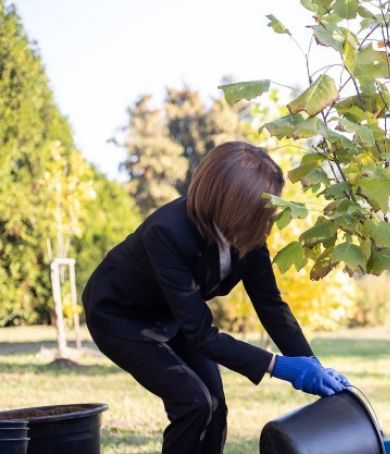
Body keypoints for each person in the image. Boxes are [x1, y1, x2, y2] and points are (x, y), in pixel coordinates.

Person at [83, 141, 350, 454]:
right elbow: (202, 335)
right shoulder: (167, 232)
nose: (270, 218)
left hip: (173, 314)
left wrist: (311, 364)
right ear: (234, 205)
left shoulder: (247, 234)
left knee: (216, 406)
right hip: (121, 317)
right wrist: (281, 367)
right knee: (193, 403)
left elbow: (271, 306)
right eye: (263, 209)